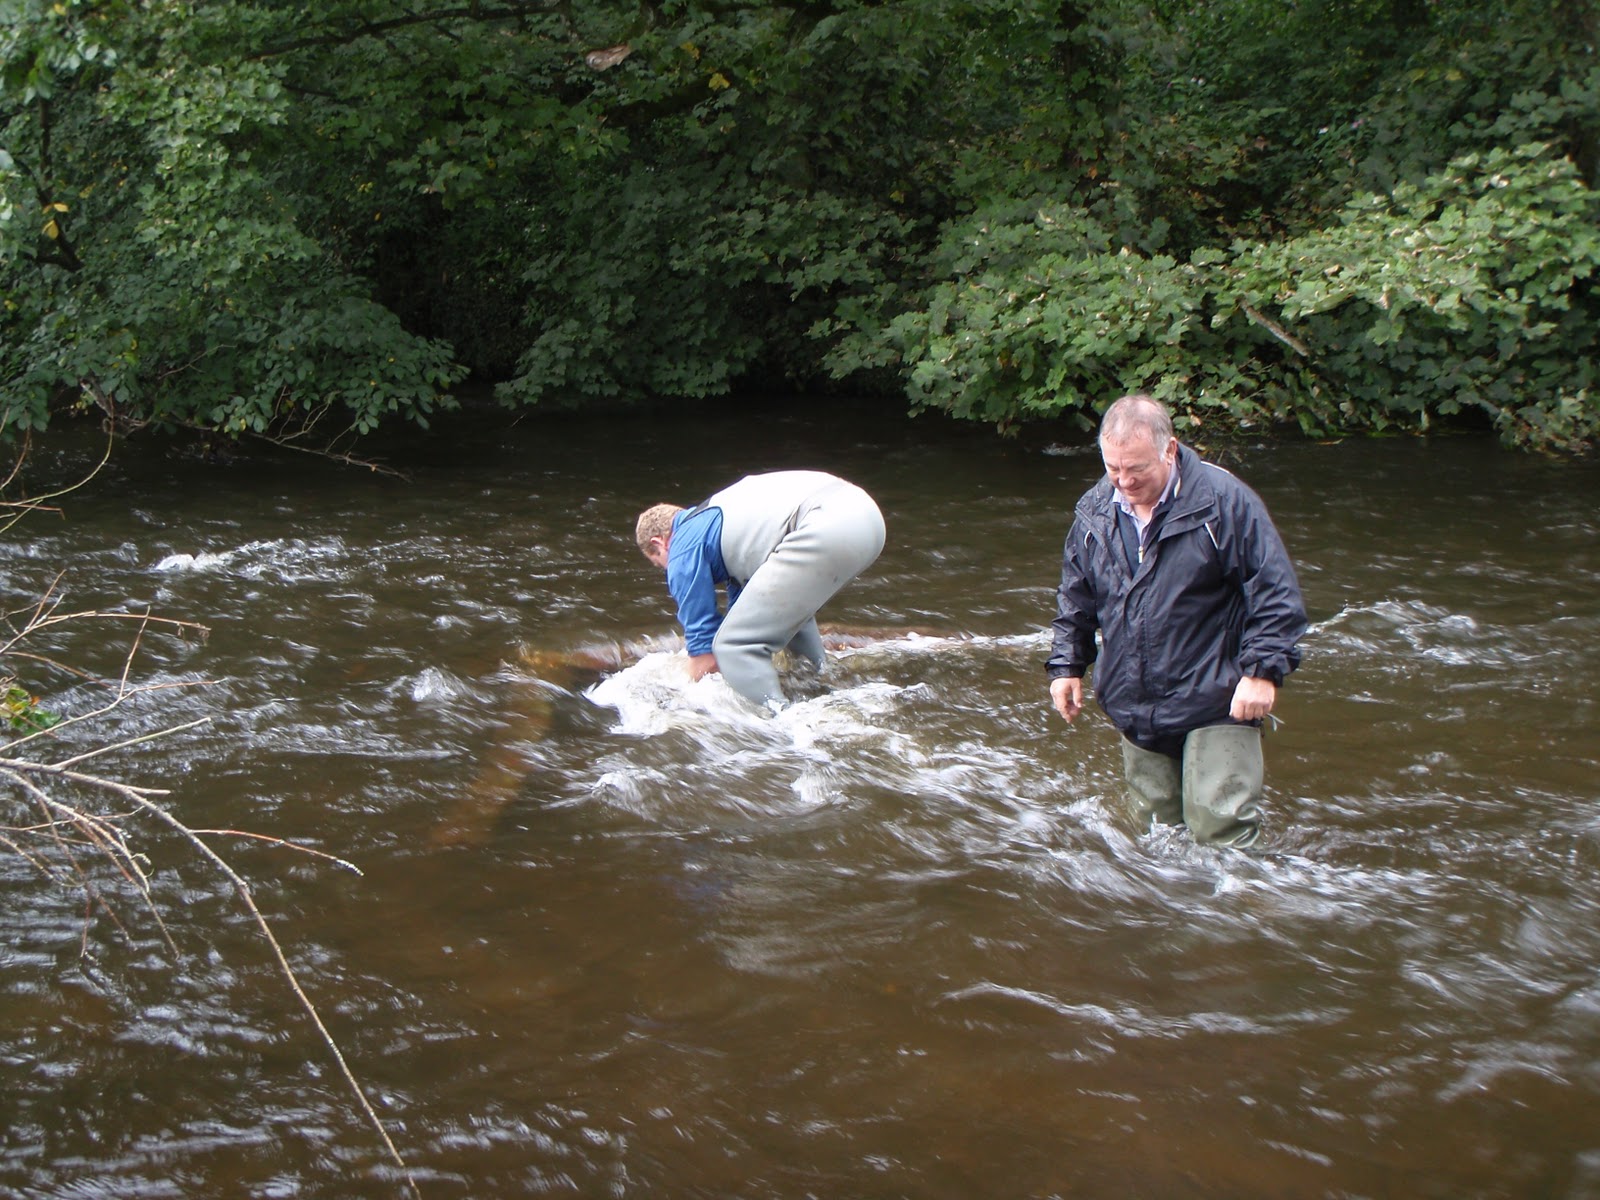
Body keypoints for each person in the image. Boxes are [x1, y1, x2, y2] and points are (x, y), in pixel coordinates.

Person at [1045, 394, 1306, 846]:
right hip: (1135, 698)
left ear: (1170, 450)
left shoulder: (1224, 504)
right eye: (1113, 469)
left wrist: (1262, 672)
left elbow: (1275, 593)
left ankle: (1239, 912)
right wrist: (1067, 665)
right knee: (1156, 841)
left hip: (1217, 696)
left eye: (1136, 469)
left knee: (1221, 833)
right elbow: (1077, 595)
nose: (1123, 482)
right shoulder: (1095, 510)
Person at [634, 470, 886, 710]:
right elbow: (749, 616)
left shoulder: (683, 546)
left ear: (660, 543)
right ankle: (825, 686)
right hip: (867, 518)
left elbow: (705, 653)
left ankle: (782, 729)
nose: (667, 570)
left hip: (826, 523)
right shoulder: (722, 524)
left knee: (734, 646)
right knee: (783, 623)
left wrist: (682, 701)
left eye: (659, 563)